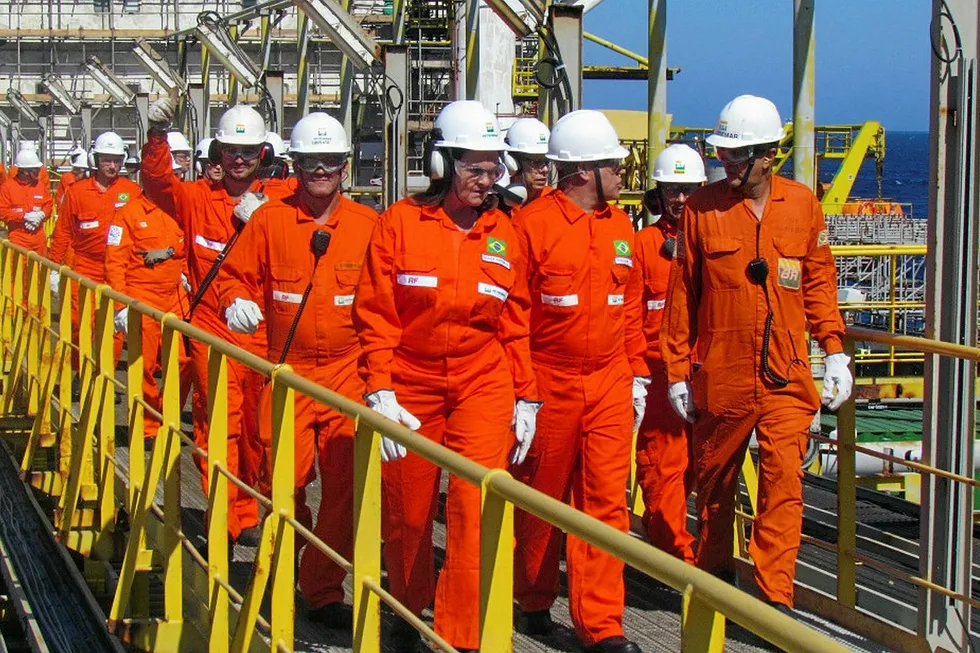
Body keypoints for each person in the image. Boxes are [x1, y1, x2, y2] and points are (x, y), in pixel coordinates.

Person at [353, 100, 537, 653]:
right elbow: (376, 313)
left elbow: (516, 320)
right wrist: (379, 386)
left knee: (475, 506)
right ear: (441, 164)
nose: (487, 180)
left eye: (493, 169)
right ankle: (406, 613)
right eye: (474, 169)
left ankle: (462, 636)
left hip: (483, 382)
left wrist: (526, 397)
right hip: (409, 381)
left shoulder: (507, 233)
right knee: (407, 511)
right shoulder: (400, 224)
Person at [661, 95, 853, 613]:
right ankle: (716, 584)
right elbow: (684, 295)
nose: (726, 164)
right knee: (716, 488)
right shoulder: (701, 210)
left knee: (784, 485)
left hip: (786, 374)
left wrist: (835, 352)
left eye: (736, 155)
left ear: (768, 155)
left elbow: (817, 281)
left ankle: (774, 605)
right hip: (721, 373)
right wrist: (678, 370)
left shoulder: (802, 205)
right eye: (722, 154)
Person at [216, 112, 377, 630]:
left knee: (343, 491)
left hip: (347, 375)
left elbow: (388, 305)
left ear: (345, 167)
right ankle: (285, 565)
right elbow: (233, 277)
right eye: (310, 163)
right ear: (296, 165)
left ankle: (323, 590)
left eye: (330, 163)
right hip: (285, 373)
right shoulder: (269, 221)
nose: (321, 171)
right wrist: (235, 300)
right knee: (283, 483)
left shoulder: (369, 228)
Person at [507, 109, 648, 653]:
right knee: (541, 498)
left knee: (606, 504)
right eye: (614, 164)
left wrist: (636, 374)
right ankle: (533, 596)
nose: (621, 173)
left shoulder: (621, 227)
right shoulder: (532, 226)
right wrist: (524, 390)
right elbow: (513, 314)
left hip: (610, 381)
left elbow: (630, 306)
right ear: (585, 170)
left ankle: (602, 626)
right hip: (549, 381)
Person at [141, 99, 289, 547]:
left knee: (260, 431)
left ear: (263, 154)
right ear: (218, 155)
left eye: (247, 151)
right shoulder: (195, 199)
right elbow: (157, 181)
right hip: (212, 329)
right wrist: (156, 134)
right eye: (230, 150)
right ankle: (229, 515)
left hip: (263, 335)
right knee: (218, 424)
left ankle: (257, 503)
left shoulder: (281, 201)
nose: (239, 159)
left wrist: (266, 214)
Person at [633, 143, 706, 564]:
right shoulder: (643, 246)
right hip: (658, 375)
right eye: (672, 189)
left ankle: (676, 546)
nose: (680, 199)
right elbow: (628, 314)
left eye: (688, 189)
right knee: (663, 468)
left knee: (700, 468)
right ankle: (680, 560)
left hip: (703, 373)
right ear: (659, 194)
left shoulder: (712, 243)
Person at [104, 193, 191, 440]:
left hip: (176, 295)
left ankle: (167, 413)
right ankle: (147, 428)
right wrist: (121, 304)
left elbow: (190, 244)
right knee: (144, 365)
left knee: (185, 361)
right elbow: (114, 260)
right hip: (142, 295)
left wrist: (177, 260)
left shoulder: (179, 208)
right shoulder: (127, 214)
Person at [49, 131, 141, 366]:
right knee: (80, 324)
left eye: (116, 160)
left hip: (120, 271)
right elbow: (63, 232)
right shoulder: (77, 192)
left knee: (115, 327)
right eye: (106, 160)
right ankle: (82, 371)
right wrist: (53, 267)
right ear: (95, 160)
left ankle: (106, 378)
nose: (112, 166)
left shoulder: (132, 192)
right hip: (85, 268)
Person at [0, 149, 54, 258]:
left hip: (38, 239)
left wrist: (42, 215)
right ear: (25, 172)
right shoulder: (8, 187)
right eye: (36, 171)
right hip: (17, 239)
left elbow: (49, 204)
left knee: (40, 271)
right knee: (19, 273)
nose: (39, 173)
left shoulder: (39, 186)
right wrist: (24, 217)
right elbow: (2, 211)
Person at [503, 117, 553, 206]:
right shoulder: (495, 203)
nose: (545, 169)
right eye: (536, 162)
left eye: (547, 161)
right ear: (513, 163)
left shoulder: (553, 201)